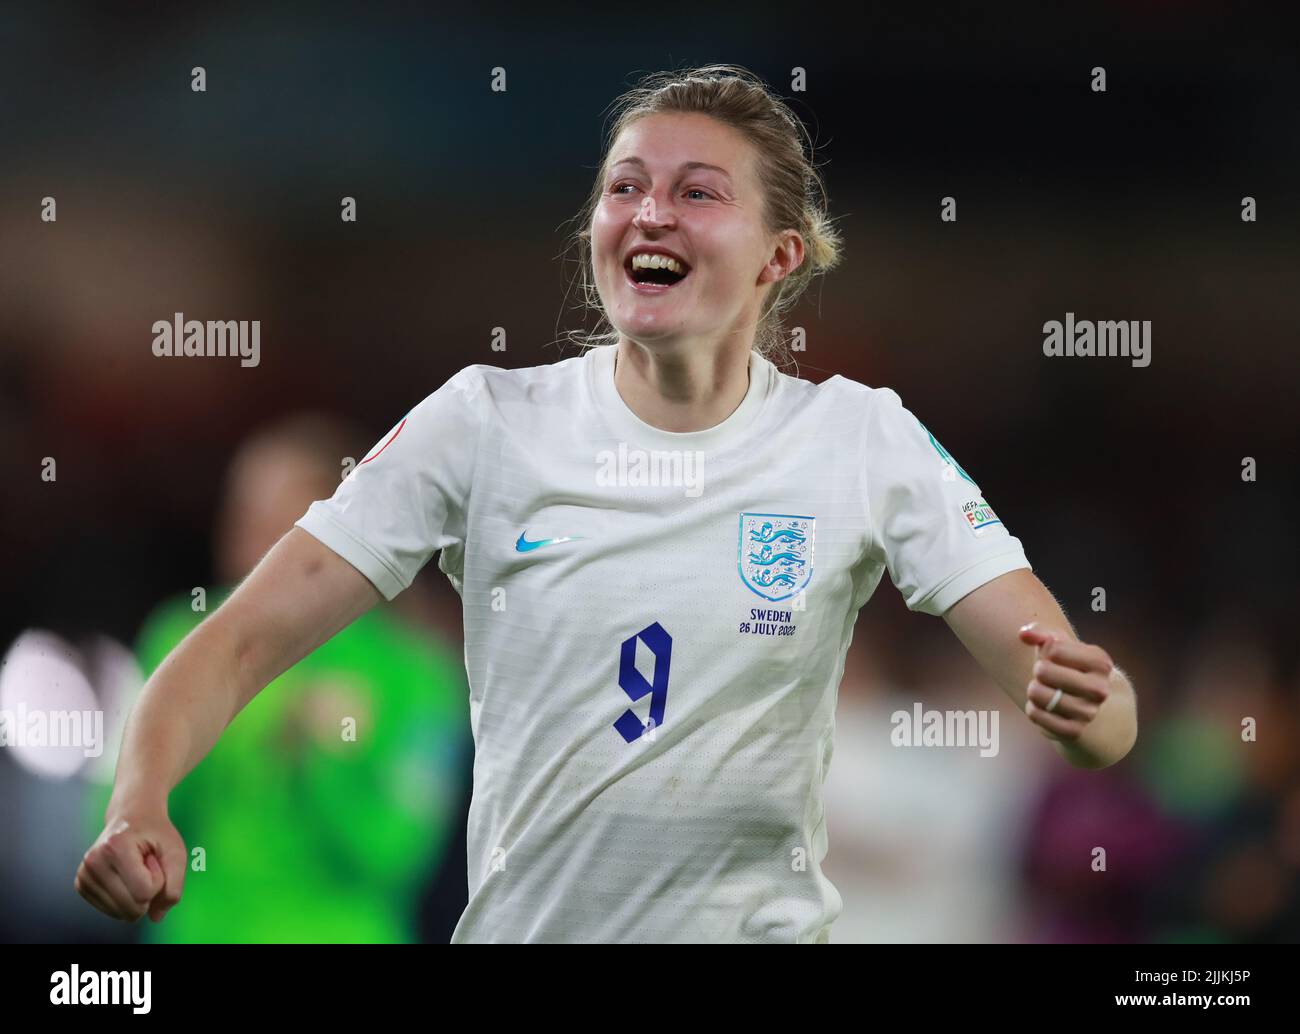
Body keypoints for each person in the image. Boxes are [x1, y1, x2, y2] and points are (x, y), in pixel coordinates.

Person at [77, 64, 1138, 943]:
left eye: (697, 191)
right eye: (624, 185)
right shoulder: (484, 422)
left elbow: (1088, 700)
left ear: (780, 255)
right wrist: (139, 801)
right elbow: (235, 643)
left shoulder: (860, 438)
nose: (649, 211)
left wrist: (1091, 714)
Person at [83, 414, 470, 942]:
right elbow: (113, 821)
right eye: (242, 513)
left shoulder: (414, 671)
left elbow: (399, 854)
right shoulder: (179, 642)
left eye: (277, 519)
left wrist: (329, 759)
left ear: (335, 528)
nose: (250, 536)